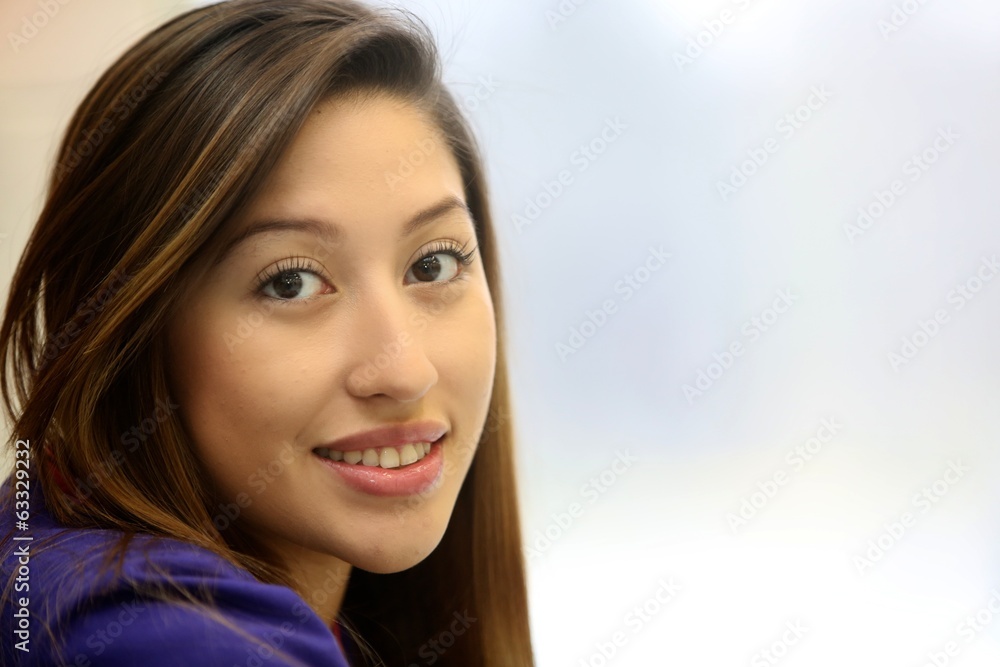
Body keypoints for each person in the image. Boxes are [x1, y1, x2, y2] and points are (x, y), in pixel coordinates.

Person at [0, 1, 535, 665]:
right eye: (291, 282)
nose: (405, 371)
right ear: (129, 332)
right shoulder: (150, 640)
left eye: (434, 263)